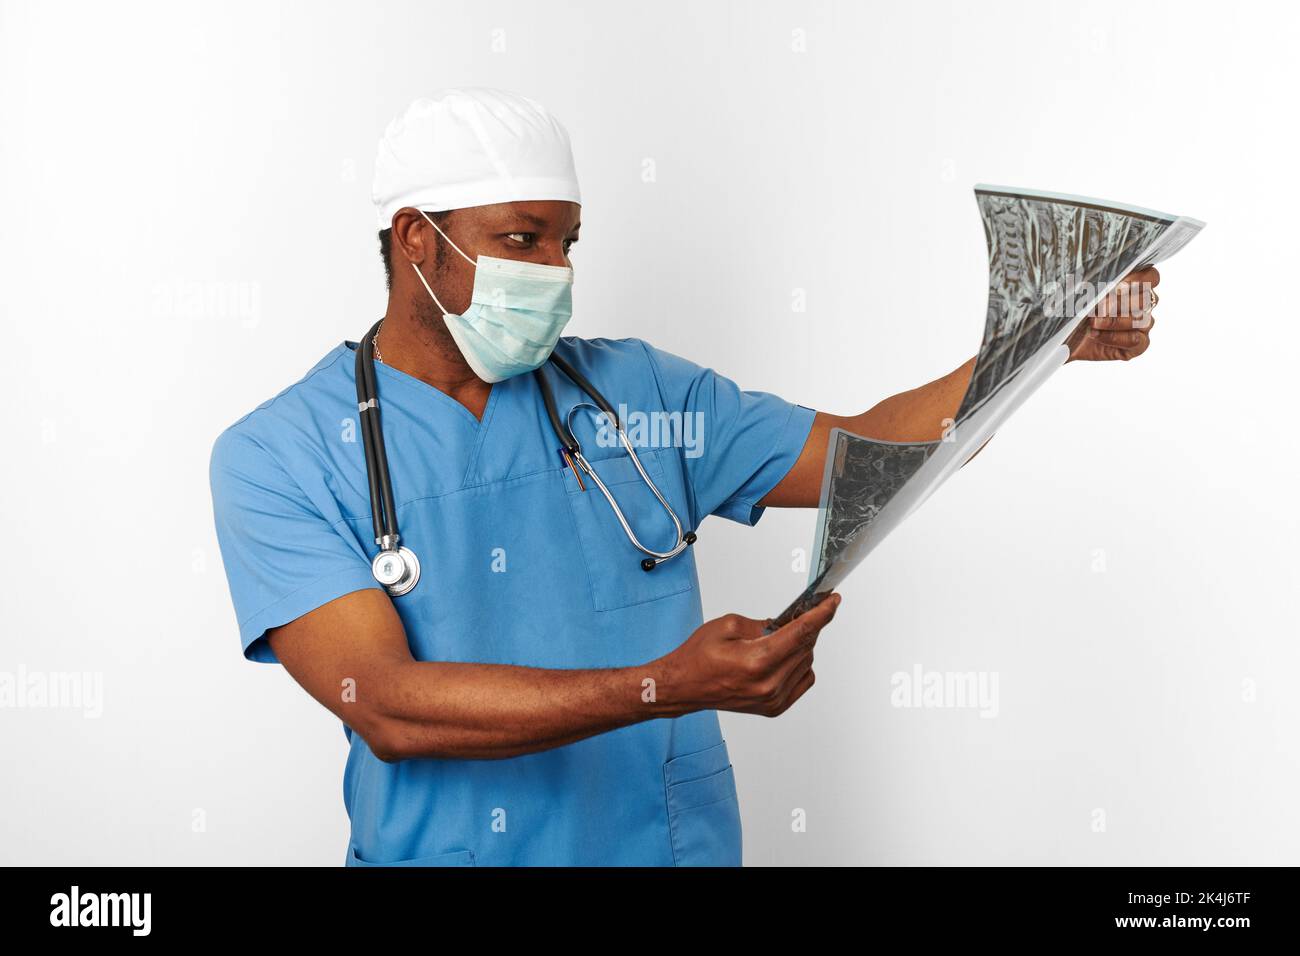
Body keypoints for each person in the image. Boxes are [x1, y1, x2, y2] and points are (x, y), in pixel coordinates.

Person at [209, 88, 1161, 866]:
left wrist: (1041, 343)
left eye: (568, 242)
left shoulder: (638, 395)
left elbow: (870, 455)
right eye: (521, 240)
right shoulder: (280, 454)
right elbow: (382, 702)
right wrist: (664, 684)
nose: (556, 271)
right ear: (416, 237)